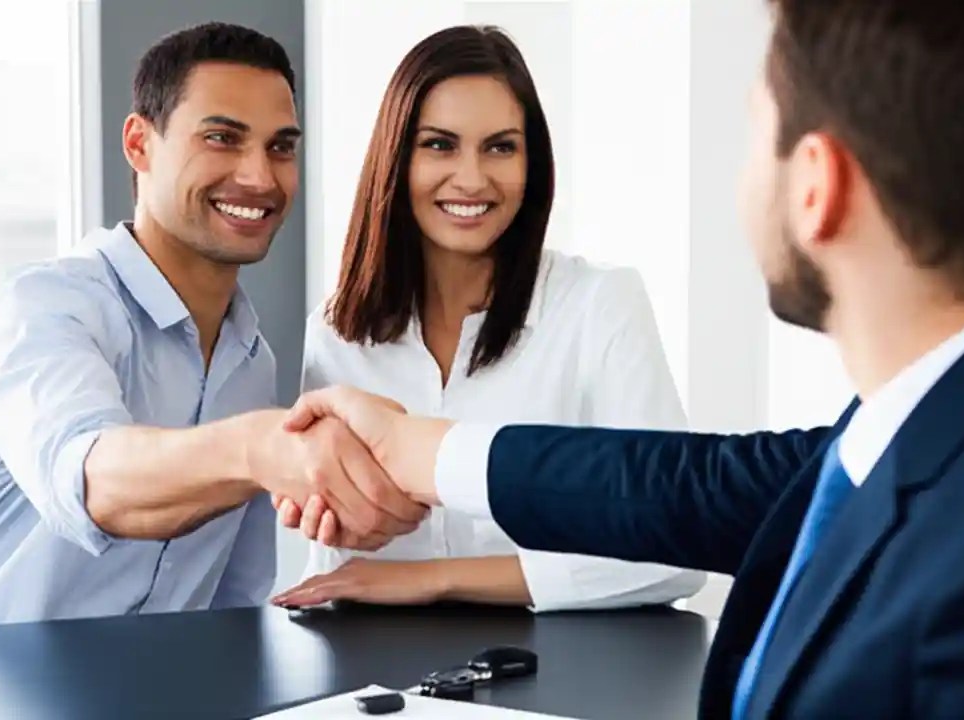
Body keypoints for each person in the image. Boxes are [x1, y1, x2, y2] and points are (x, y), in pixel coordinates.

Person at [280, 1, 964, 717]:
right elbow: (687, 489)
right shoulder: (898, 439)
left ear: (816, 186)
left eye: (752, 135)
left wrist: (423, 514)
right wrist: (420, 453)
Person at [0, 23, 424, 629]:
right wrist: (261, 447)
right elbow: (95, 484)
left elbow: (234, 602)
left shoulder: (252, 359)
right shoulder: (45, 306)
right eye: (222, 138)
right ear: (139, 144)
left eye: (281, 147)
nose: (259, 177)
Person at [270, 26, 703, 612]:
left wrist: (437, 578)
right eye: (440, 145)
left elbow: (675, 544)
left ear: (533, 162)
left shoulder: (599, 305)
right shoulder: (336, 329)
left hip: (564, 669)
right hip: (380, 670)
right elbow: (338, 558)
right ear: (395, 158)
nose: (472, 178)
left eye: (500, 147)